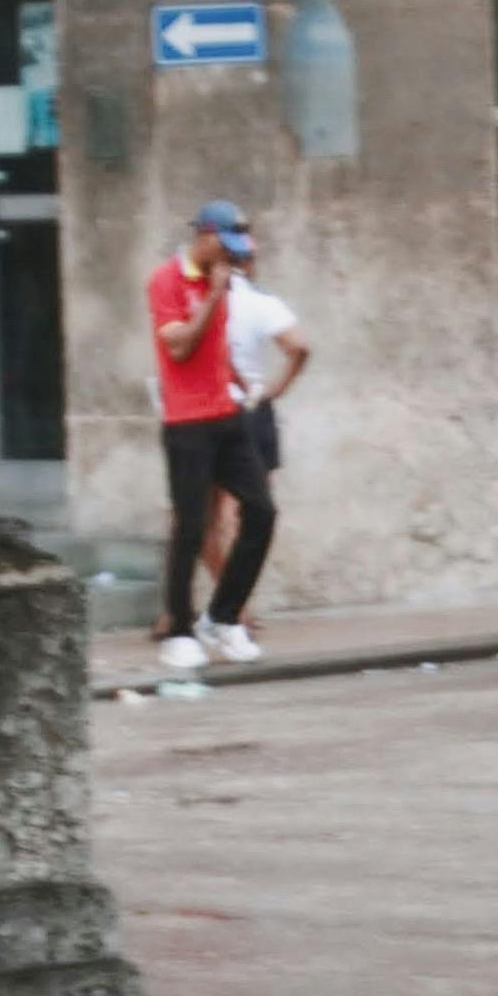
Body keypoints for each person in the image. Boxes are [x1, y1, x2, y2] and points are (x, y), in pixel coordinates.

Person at [149, 198, 276, 668]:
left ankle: (223, 616)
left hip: (227, 415)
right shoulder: (166, 280)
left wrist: (243, 387)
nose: (232, 258)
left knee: (261, 511)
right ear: (205, 237)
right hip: (186, 423)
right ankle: (179, 631)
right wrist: (213, 298)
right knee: (190, 527)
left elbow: (217, 350)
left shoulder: (221, 278)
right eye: (226, 247)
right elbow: (180, 348)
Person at [196, 227, 312, 624]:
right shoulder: (262, 301)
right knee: (248, 513)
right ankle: (234, 607)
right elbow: (299, 347)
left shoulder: (203, 300)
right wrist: (275, 389)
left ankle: (230, 607)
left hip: (210, 409)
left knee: (207, 516)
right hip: (253, 409)